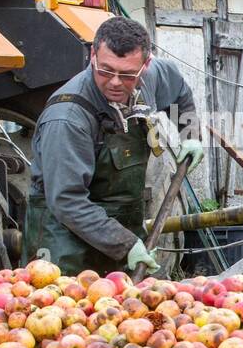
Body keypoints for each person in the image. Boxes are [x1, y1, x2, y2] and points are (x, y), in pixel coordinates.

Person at [24, 16, 203, 276]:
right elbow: (67, 200)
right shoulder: (68, 118)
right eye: (105, 70)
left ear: (145, 65)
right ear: (92, 55)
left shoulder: (150, 78)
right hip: (65, 248)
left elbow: (179, 92)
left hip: (120, 239)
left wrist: (190, 134)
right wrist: (126, 245)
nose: (115, 82)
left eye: (128, 74)